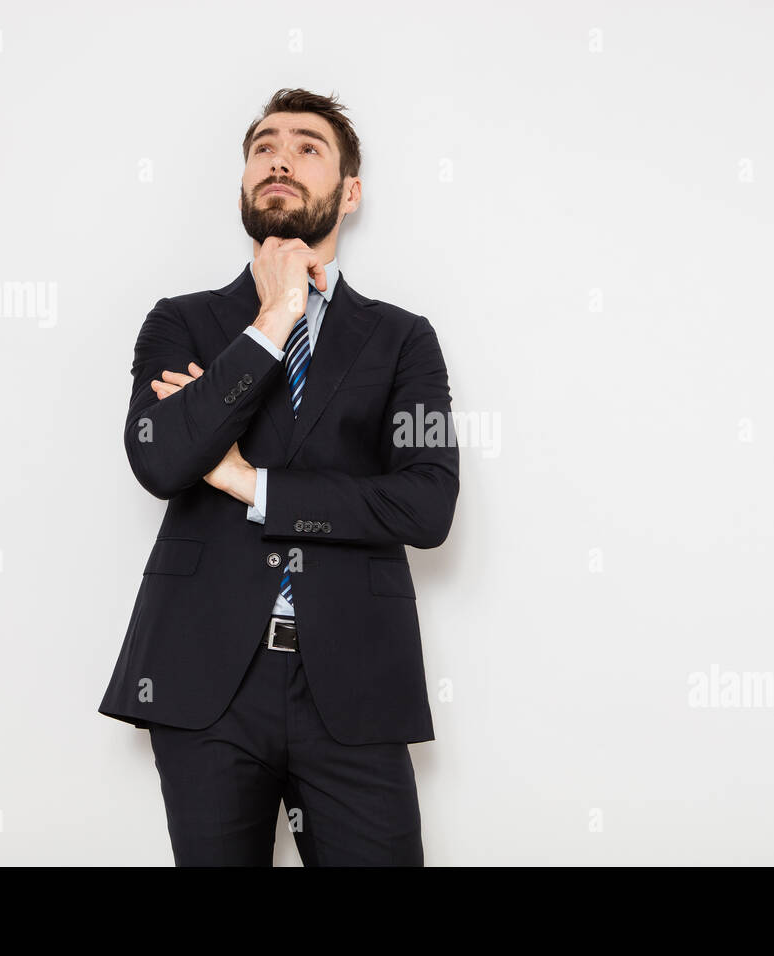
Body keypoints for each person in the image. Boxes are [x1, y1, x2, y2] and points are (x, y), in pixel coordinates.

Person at [97, 88, 460, 866]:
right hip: (204, 683)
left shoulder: (403, 341)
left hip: (356, 684)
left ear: (349, 192)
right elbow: (160, 459)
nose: (280, 159)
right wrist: (273, 321)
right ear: (243, 184)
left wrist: (247, 482)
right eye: (263, 147)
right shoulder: (182, 321)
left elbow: (427, 504)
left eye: (306, 146)